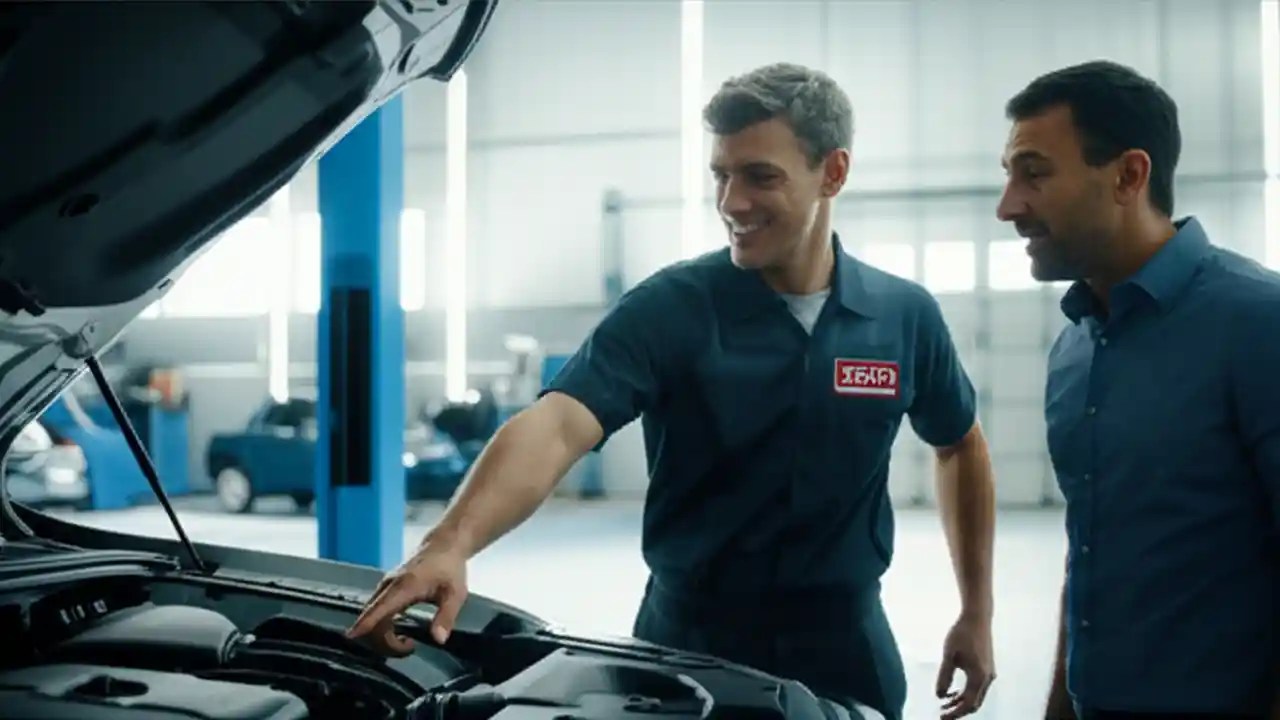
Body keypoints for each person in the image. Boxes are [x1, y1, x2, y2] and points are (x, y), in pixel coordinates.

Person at [348, 62, 998, 720]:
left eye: (759, 176)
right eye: (721, 175)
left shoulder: (902, 317)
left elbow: (959, 445)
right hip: (690, 647)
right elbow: (557, 426)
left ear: (832, 172)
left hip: (847, 649)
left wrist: (976, 611)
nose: (731, 202)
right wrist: (450, 544)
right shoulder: (672, 309)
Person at [995, 59, 1280, 720]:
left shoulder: (1259, 324)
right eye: (1008, 176)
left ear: (1129, 174)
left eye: (1034, 174)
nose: (1009, 205)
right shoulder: (1074, 346)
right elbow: (1089, 546)